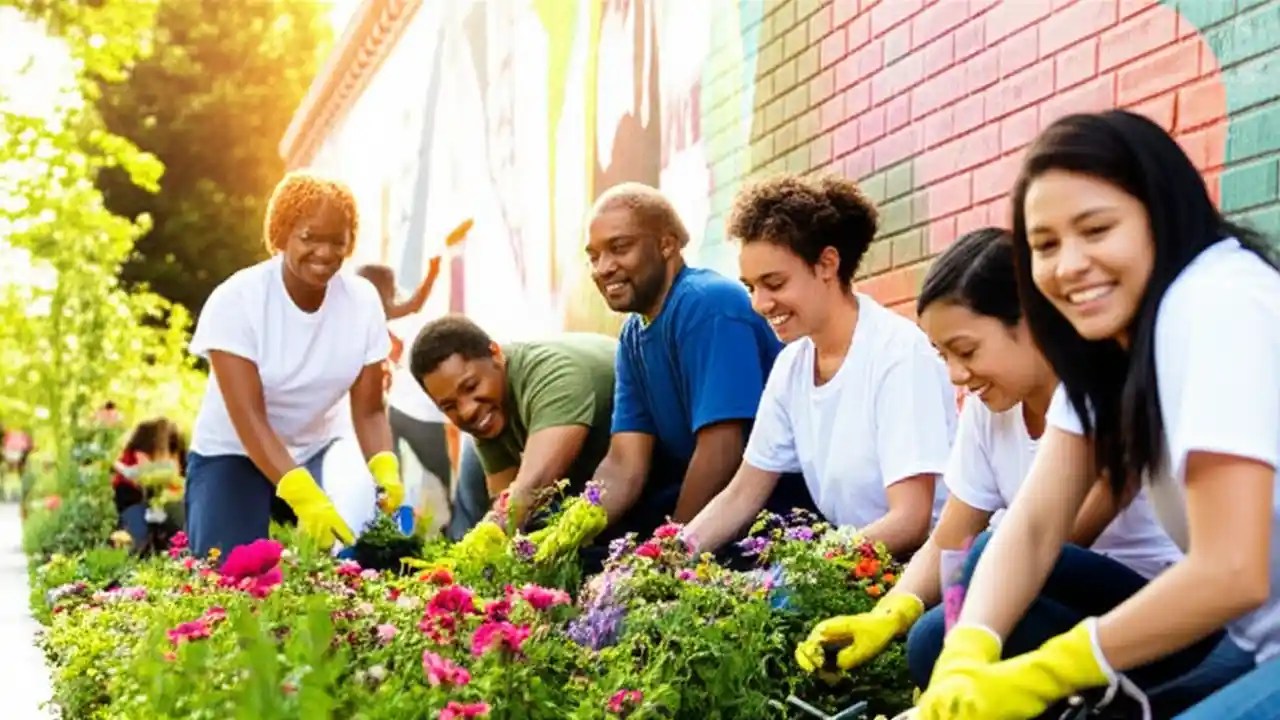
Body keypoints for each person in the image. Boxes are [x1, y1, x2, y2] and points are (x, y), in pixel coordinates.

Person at [912, 110, 1280, 720]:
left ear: (1159, 215)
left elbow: (1233, 569)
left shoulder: (1219, 304)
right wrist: (967, 650)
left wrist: (1047, 670)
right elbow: (1030, 527)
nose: (1069, 265)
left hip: (1211, 611)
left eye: (1097, 229)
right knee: (947, 624)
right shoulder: (1108, 352)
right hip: (1251, 638)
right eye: (1046, 245)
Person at [794, 226, 1198, 705]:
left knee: (985, 567)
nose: (957, 376)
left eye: (966, 352)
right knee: (929, 639)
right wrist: (890, 613)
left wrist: (969, 620)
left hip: (1153, 607)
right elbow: (950, 538)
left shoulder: (1102, 389)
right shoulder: (988, 413)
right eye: (943, 356)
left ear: (1030, 322)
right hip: (1054, 600)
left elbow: (1052, 537)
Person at [682, 174, 955, 558]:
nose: (760, 304)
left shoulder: (898, 353)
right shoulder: (793, 364)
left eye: (774, 283)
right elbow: (742, 494)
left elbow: (910, 520)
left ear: (827, 264)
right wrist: (663, 561)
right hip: (852, 563)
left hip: (932, 572)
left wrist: (804, 572)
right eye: (751, 287)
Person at [576, 181, 815, 549]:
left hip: (776, 519)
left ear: (666, 244)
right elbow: (624, 463)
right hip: (712, 514)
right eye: (594, 256)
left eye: (620, 248)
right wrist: (564, 538)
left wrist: (668, 555)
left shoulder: (707, 305)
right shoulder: (632, 335)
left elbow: (722, 450)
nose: (604, 267)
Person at [184, 170, 403, 558]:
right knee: (233, 574)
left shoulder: (362, 301)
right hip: (235, 450)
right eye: (309, 238)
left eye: (338, 240)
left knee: (356, 551)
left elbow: (368, 410)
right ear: (282, 233)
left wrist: (385, 469)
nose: (324, 252)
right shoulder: (238, 299)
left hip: (322, 446)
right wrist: (303, 497)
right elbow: (249, 416)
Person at [410, 315, 618, 529]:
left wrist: (475, 550)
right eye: (449, 406)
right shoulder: (486, 414)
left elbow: (530, 490)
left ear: (496, 354)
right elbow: (504, 501)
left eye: (471, 386)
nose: (467, 411)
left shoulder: (552, 379)